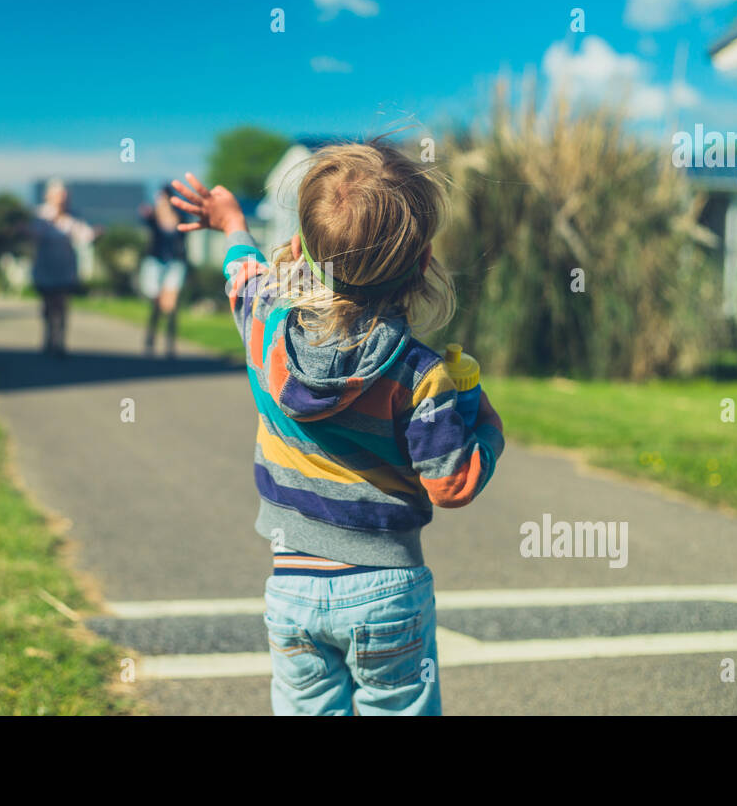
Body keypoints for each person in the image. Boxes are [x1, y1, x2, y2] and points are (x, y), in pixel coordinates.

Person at [169, 142, 504, 716]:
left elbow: (241, 272)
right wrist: (484, 418)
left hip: (292, 586)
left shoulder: (267, 329)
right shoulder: (421, 375)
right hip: (387, 592)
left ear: (300, 249)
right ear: (422, 265)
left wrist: (231, 223)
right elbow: (454, 486)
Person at [29, 180, 96, 357]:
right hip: (45, 266)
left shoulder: (73, 216)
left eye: (64, 196)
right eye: (59, 195)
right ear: (49, 196)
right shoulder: (40, 215)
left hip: (65, 267)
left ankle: (60, 340)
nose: (62, 199)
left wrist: (95, 234)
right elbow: (34, 236)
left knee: (62, 304)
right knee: (48, 305)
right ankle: (48, 336)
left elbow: (84, 235)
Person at [137, 185, 188, 358]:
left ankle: (169, 344)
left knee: (171, 305)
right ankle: (150, 340)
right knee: (156, 303)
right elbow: (145, 222)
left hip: (174, 263)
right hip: (155, 263)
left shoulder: (180, 217)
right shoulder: (152, 217)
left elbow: (184, 236)